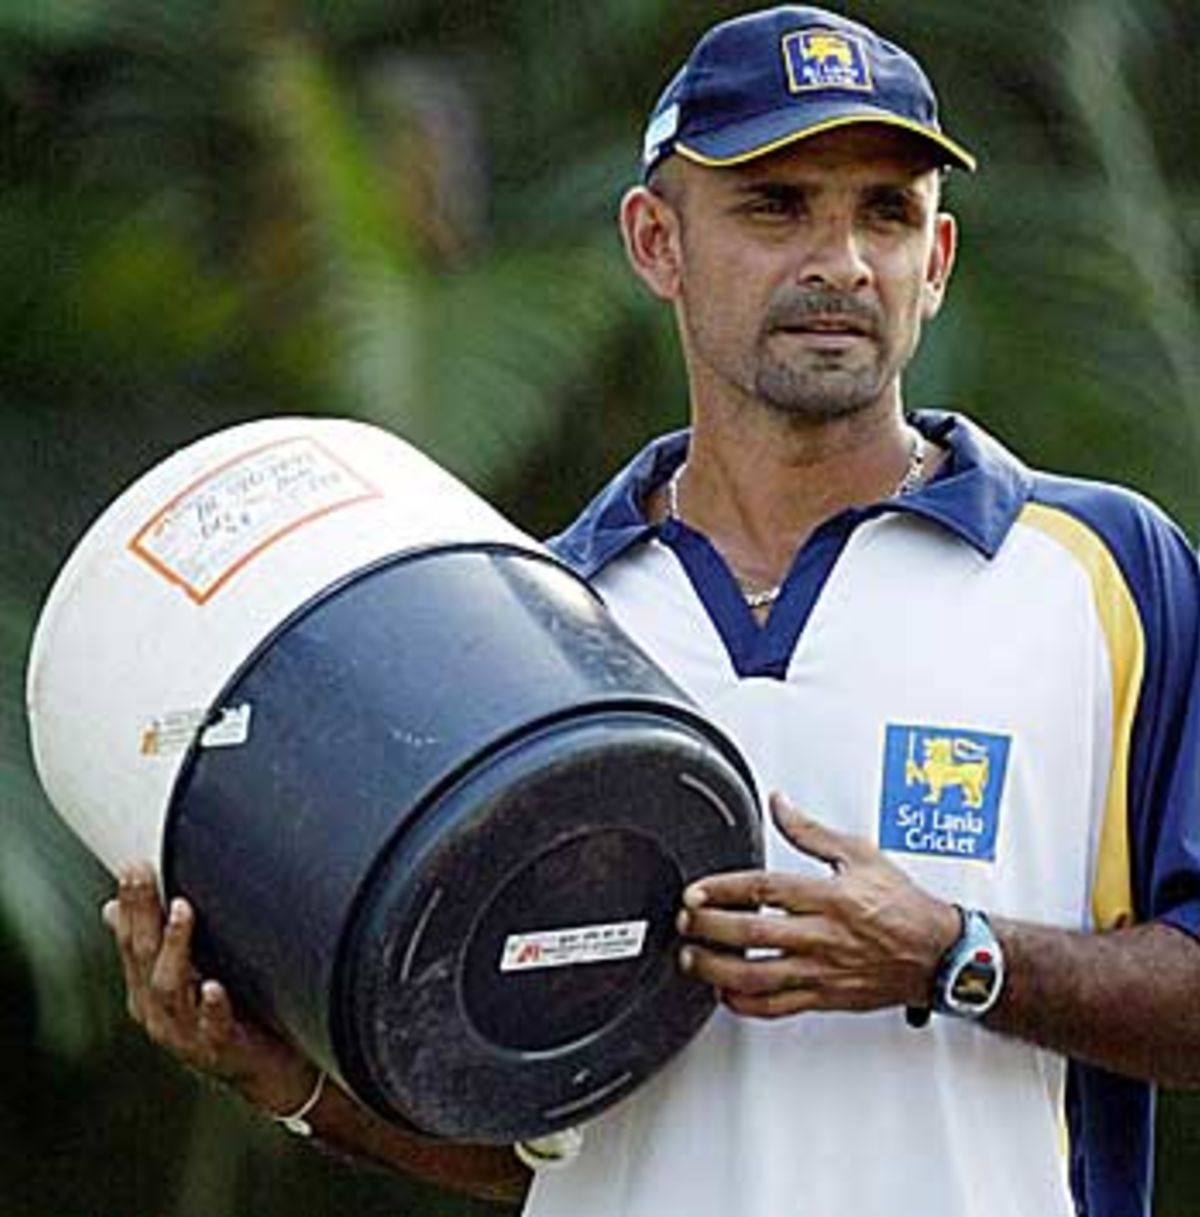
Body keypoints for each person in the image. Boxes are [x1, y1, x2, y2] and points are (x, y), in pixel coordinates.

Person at [104, 6, 1200, 1216]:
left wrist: (956, 953)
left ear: (935, 262)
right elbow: (547, 1143)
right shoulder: (530, 623)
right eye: (776, 205)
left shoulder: (1104, 571)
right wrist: (293, 1082)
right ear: (655, 241)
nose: (840, 259)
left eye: (884, 212)